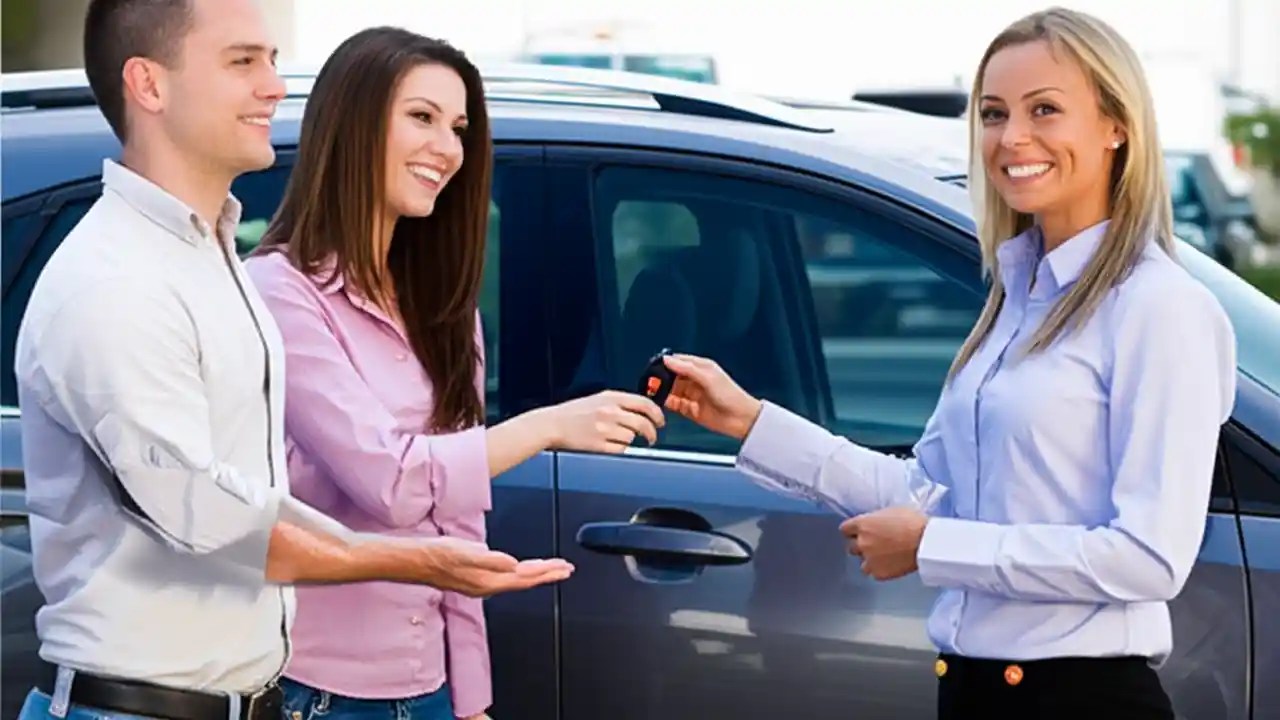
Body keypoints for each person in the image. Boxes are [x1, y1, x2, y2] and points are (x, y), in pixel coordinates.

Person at [657, 7, 1236, 720]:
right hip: (973, 690)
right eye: (994, 114)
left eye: (1045, 110)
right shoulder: (1012, 298)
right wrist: (748, 420)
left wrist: (934, 547)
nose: (1012, 137)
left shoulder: (1157, 306)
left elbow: (1149, 557)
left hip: (1080, 699)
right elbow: (926, 490)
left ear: (1118, 126)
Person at [13, 3, 574, 720]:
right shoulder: (117, 283)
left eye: (273, 61)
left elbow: (254, 499)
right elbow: (213, 525)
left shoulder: (209, 261)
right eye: (243, 62)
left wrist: (454, 644)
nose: (276, 87)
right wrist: (413, 560)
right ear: (149, 86)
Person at [242, 26, 665, 720]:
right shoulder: (281, 292)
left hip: (427, 690)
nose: (448, 148)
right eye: (422, 117)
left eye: (459, 127)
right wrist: (549, 426)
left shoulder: (442, 308)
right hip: (316, 695)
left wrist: (468, 698)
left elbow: (458, 523)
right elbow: (392, 482)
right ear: (352, 124)